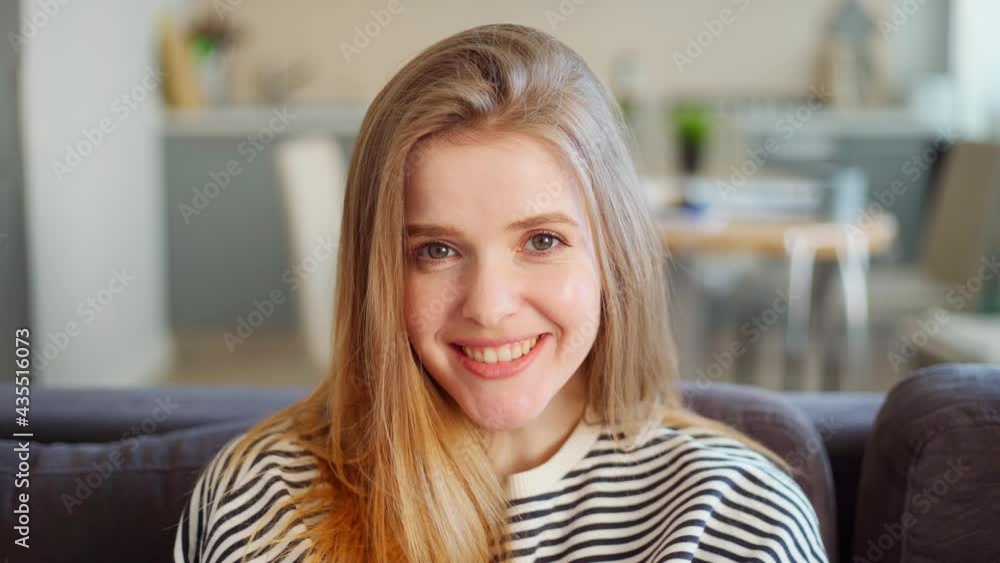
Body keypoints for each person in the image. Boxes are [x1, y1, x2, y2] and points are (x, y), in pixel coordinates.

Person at [173, 23, 828, 563]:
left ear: (613, 254)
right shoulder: (264, 503)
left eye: (541, 240)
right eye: (436, 250)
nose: (488, 307)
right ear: (380, 275)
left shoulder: (734, 516)